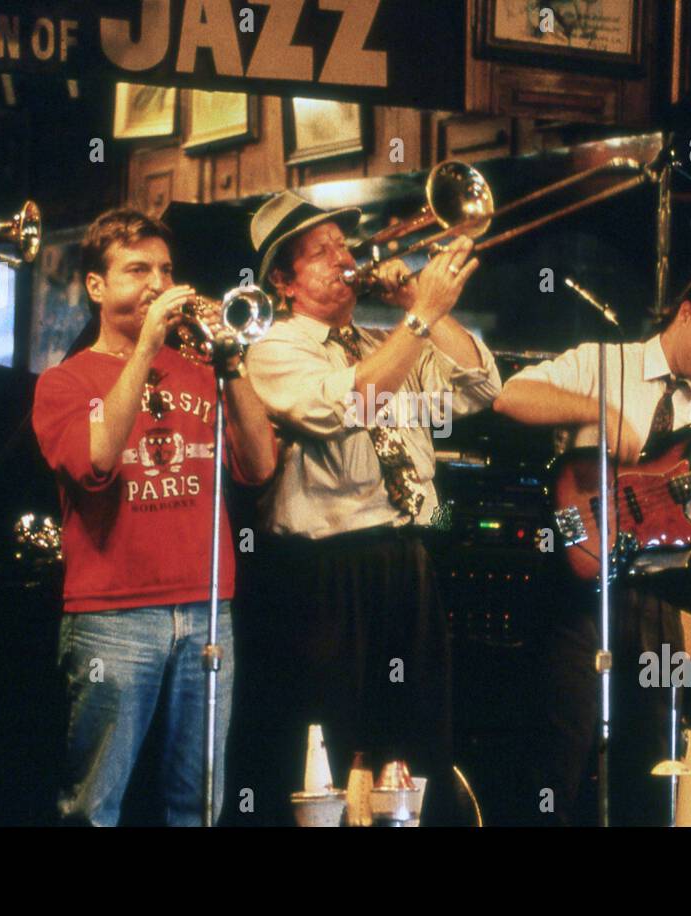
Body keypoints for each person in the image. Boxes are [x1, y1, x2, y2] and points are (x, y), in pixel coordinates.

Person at [492, 267, 691, 825]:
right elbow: (509, 398)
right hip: (581, 590)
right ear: (684, 313)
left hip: (660, 596)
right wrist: (597, 410)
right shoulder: (603, 363)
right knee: (559, 755)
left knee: (655, 766)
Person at [238, 191, 502, 825]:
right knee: (334, 740)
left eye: (344, 247)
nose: (344, 259)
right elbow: (349, 405)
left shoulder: (388, 339)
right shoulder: (273, 348)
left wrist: (420, 307)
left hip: (403, 558)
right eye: (321, 253)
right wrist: (419, 322)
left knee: (413, 738)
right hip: (326, 571)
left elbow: (480, 387)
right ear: (283, 280)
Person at [32, 209, 276, 826]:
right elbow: (97, 460)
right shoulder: (64, 382)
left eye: (165, 270)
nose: (157, 283)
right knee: (93, 806)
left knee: (199, 806)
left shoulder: (204, 371)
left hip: (208, 608)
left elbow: (260, 464)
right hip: (113, 615)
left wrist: (233, 362)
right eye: (137, 269)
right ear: (96, 286)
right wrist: (144, 348)